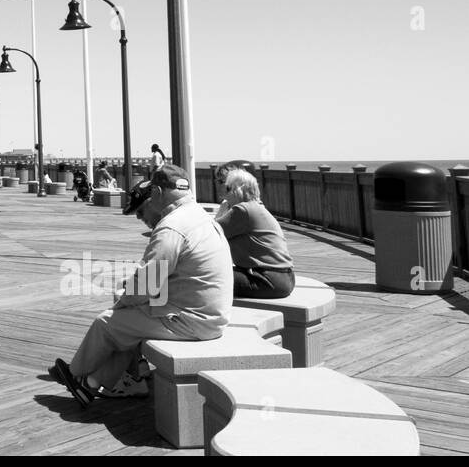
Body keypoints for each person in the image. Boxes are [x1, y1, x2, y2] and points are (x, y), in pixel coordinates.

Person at [48, 165, 234, 407]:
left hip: (192, 321)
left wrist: (121, 304)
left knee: (107, 322)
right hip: (211, 314)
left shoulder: (172, 227)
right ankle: (92, 383)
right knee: (129, 323)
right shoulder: (200, 216)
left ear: (156, 192)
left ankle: (74, 375)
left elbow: (145, 284)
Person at [215, 168, 295, 298]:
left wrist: (222, 210)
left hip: (267, 280)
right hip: (285, 277)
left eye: (228, 188)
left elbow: (210, 233)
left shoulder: (243, 210)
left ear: (238, 190)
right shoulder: (256, 207)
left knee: (205, 276)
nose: (225, 192)